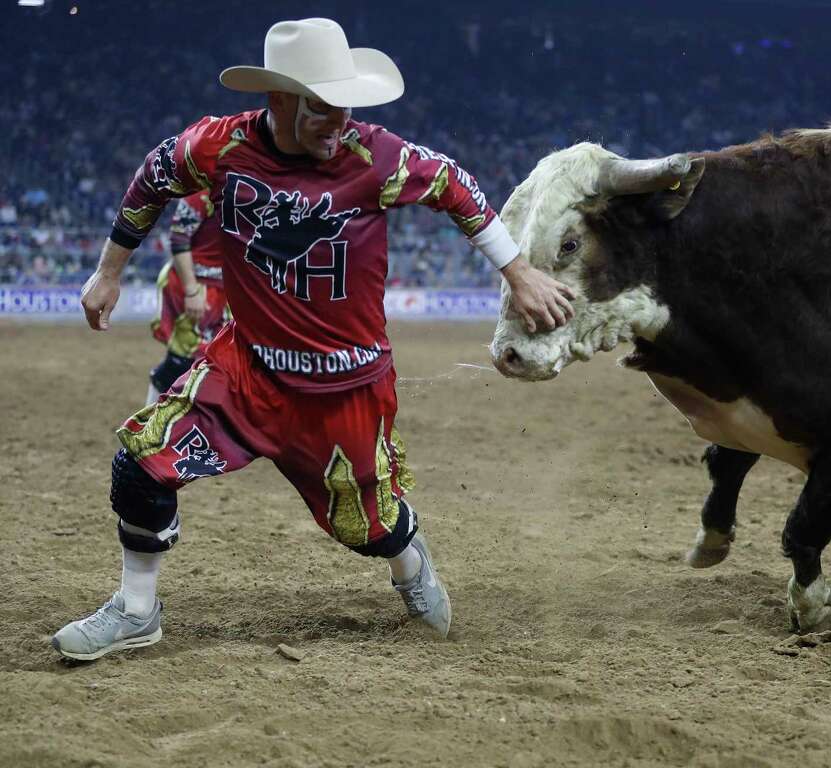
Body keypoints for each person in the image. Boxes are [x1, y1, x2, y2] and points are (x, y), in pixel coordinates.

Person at [53, 18, 574, 659]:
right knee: (139, 466)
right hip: (247, 372)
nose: (340, 123)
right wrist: (110, 271)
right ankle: (136, 612)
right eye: (323, 110)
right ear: (279, 102)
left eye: (344, 107)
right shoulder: (216, 148)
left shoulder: (375, 156)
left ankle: (410, 565)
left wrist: (519, 273)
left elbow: (454, 186)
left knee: (369, 530)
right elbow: (152, 178)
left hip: (344, 391)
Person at [145, 191, 230, 406]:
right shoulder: (204, 189)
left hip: (227, 288)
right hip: (194, 284)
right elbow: (179, 236)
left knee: (221, 362)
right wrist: (191, 290)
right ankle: (143, 433)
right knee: (184, 361)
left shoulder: (258, 184)